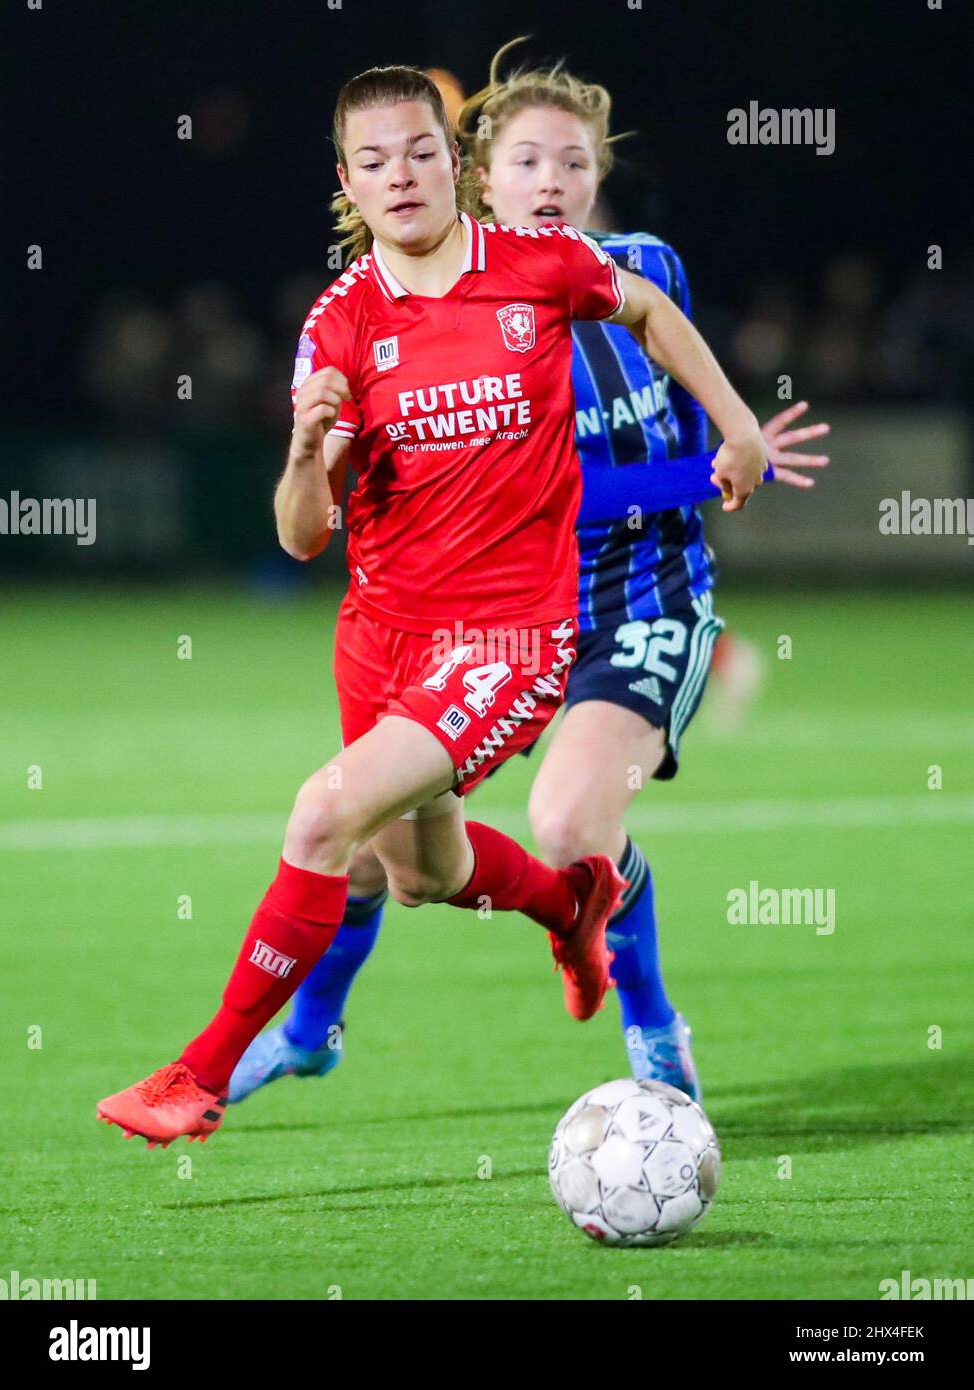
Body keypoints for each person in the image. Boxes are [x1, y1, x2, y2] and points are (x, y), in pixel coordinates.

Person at [96, 60, 766, 1146]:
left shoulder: (539, 268)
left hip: (508, 635)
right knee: (419, 873)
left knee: (322, 816)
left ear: (453, 164)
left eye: (418, 151)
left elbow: (645, 309)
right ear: (347, 184)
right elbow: (303, 533)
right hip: (383, 637)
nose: (399, 176)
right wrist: (309, 448)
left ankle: (197, 1073)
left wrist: (734, 425)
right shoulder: (342, 321)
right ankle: (569, 904)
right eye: (373, 162)